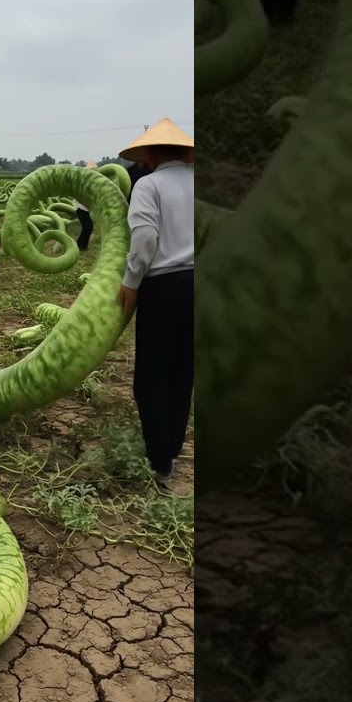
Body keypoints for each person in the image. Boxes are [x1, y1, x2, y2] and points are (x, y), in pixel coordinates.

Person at [114, 119, 194, 491]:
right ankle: (173, 450)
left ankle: (160, 462)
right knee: (182, 371)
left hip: (163, 286)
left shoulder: (148, 185)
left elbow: (145, 237)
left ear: (147, 155)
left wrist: (130, 281)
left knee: (152, 376)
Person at [73, 160, 97, 251]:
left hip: (83, 208)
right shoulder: (84, 181)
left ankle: (81, 246)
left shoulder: (90, 181)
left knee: (87, 227)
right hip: (81, 208)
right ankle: (81, 246)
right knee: (88, 227)